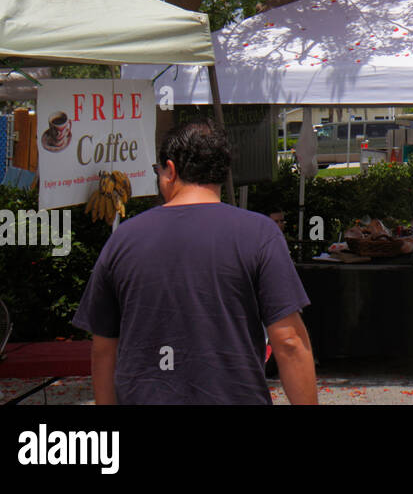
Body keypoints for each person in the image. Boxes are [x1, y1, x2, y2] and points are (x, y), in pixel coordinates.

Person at [73, 122, 317, 405]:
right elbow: (289, 341)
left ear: (170, 170)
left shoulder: (123, 240)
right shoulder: (259, 234)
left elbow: (103, 348)